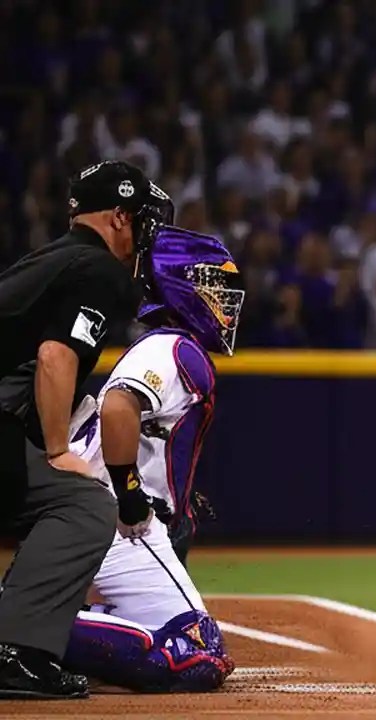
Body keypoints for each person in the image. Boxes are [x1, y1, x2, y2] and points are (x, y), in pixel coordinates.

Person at [0, 161, 172, 700]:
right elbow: (56, 355)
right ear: (119, 217)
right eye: (142, 219)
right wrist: (56, 450)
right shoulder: (98, 270)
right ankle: (16, 652)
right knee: (83, 504)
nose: (147, 233)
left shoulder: (51, 258)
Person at [59, 225, 242, 693]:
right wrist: (133, 498)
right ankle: (27, 625)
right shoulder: (175, 347)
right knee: (195, 653)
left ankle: (35, 619)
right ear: (183, 287)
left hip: (86, 511)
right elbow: (120, 406)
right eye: (213, 287)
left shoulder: (162, 345)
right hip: (115, 519)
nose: (224, 302)